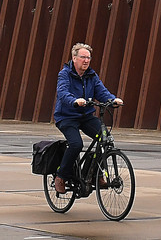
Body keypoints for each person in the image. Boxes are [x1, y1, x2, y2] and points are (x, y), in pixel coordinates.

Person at [52, 42, 122, 195]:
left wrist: (112, 100)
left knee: (105, 139)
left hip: (85, 116)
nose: (86, 61)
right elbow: (62, 92)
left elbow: (101, 92)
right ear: (74, 58)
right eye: (83, 57)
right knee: (76, 144)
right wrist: (74, 101)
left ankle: (95, 174)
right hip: (67, 117)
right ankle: (61, 176)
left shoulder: (91, 75)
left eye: (88, 58)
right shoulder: (65, 74)